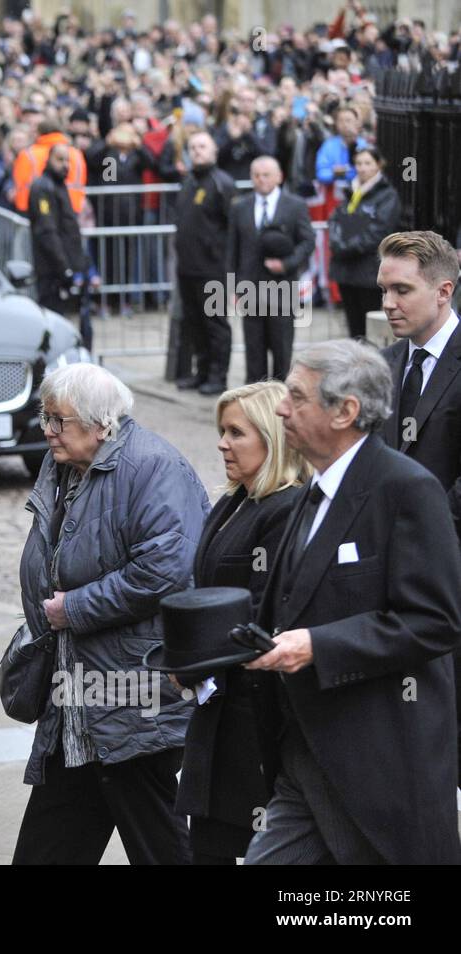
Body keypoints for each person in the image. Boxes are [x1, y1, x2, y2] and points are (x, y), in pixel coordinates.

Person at [244, 339, 461, 864]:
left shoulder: (406, 489)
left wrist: (320, 646)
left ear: (345, 411)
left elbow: (434, 621)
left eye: (296, 396)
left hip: (379, 768)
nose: (280, 408)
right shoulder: (311, 492)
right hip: (302, 757)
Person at [15, 362, 208, 864]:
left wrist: (73, 608)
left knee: (160, 844)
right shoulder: (62, 464)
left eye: (60, 420)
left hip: (131, 700)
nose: (48, 430)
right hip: (76, 702)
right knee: (48, 845)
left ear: (102, 425)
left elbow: (167, 568)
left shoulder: (153, 468)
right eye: (46, 416)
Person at [175, 381, 308, 864]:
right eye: (221, 431)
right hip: (217, 714)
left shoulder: (286, 508)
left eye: (236, 433)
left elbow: (261, 613)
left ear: (272, 437)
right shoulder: (234, 501)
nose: (222, 443)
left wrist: (196, 659)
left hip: (252, 721)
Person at [375, 230, 461, 783]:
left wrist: (422, 528)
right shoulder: (382, 366)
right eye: (383, 289)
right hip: (389, 581)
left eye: (402, 290)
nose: (387, 304)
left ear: (443, 291)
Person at [225, 156, 316, 384]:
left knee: (281, 347)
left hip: (282, 289)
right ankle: (254, 398)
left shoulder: (295, 206)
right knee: (253, 349)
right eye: (256, 175)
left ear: (279, 177)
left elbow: (307, 242)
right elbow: (232, 250)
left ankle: (279, 399)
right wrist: (233, 287)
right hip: (250, 289)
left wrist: (286, 264)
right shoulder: (240, 207)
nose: (261, 179)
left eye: (266, 175)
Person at [173, 131, 236, 395]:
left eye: (202, 146)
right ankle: (201, 372)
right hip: (188, 267)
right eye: (192, 147)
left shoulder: (222, 183)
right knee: (194, 322)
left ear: (214, 151)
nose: (197, 151)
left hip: (214, 268)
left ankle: (218, 376)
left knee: (215, 323)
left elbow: (233, 227)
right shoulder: (188, 182)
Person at [328, 146, 400, 339]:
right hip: (346, 268)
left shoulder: (387, 195)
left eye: (367, 163)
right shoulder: (351, 191)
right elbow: (336, 218)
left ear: (378, 165)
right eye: (358, 163)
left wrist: (348, 246)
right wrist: (337, 241)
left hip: (368, 269)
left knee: (367, 327)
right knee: (353, 325)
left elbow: (379, 230)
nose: (362, 168)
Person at [28, 143, 91, 348]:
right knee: (54, 327)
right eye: (60, 159)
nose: (65, 165)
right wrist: (64, 267)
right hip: (53, 269)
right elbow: (48, 231)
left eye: (67, 161)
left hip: (66, 265)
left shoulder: (58, 185)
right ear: (49, 160)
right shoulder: (43, 187)